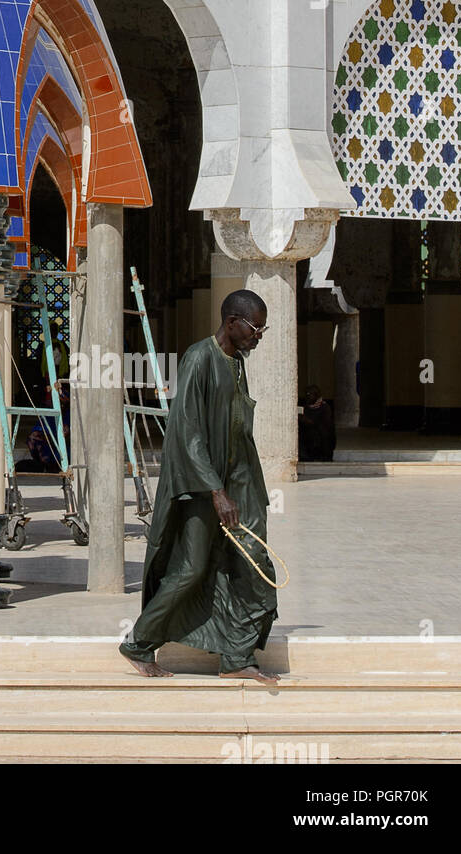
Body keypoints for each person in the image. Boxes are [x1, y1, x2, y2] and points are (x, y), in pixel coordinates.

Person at [119, 290, 279, 683]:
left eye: (263, 329)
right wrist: (216, 491)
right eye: (255, 328)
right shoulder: (199, 358)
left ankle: (237, 656)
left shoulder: (236, 362)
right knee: (191, 568)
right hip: (201, 487)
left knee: (250, 565)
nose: (259, 336)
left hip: (237, 483)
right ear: (231, 322)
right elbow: (187, 431)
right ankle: (139, 642)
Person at [298, 383, 336, 462]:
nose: (308, 396)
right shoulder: (306, 406)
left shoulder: (324, 407)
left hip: (322, 435)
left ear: (316, 395)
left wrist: (310, 422)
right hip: (308, 433)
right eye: (306, 394)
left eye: (310, 394)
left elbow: (326, 425)